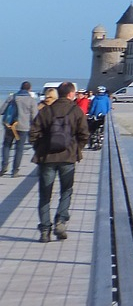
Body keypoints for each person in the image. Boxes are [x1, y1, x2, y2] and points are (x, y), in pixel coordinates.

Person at [30, 81, 89, 243]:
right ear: (70, 94)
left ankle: (45, 230)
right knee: (66, 191)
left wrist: (40, 148)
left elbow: (33, 133)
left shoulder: (46, 110)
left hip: (47, 158)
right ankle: (61, 221)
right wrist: (76, 149)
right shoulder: (76, 111)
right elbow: (84, 134)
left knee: (45, 194)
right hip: (68, 158)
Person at [2, 81, 39, 177]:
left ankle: (4, 166)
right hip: (23, 127)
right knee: (19, 148)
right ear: (29, 89)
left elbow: (2, 110)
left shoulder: (12, 97)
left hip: (10, 126)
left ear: (20, 88)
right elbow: (34, 117)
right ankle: (15, 170)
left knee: (7, 146)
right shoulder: (31, 100)